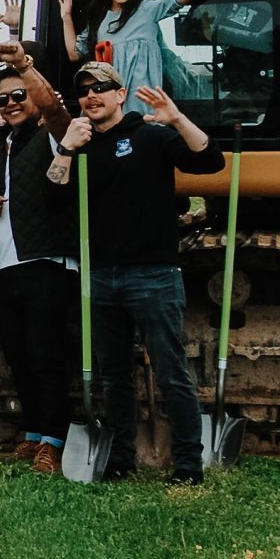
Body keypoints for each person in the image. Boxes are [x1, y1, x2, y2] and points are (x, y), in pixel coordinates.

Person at [61, 60, 224, 484]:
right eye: (84, 91)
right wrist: (64, 148)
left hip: (152, 273)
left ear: (120, 94)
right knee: (114, 377)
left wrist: (176, 118)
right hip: (100, 274)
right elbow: (53, 191)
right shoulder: (80, 144)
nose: (91, 96)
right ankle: (120, 460)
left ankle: (188, 465)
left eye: (100, 87)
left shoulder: (151, 135)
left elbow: (209, 161)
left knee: (171, 372)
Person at [0, 42, 78, 474]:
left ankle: (55, 442)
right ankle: (35, 433)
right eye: (3, 99)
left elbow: (56, 109)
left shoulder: (54, 133)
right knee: (18, 354)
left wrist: (24, 66)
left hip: (47, 260)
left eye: (20, 95)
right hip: (5, 264)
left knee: (46, 352)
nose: (13, 103)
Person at [57, 0, 200, 115]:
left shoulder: (148, 9)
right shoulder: (100, 19)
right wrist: (66, 16)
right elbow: (74, 53)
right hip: (109, 105)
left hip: (142, 104)